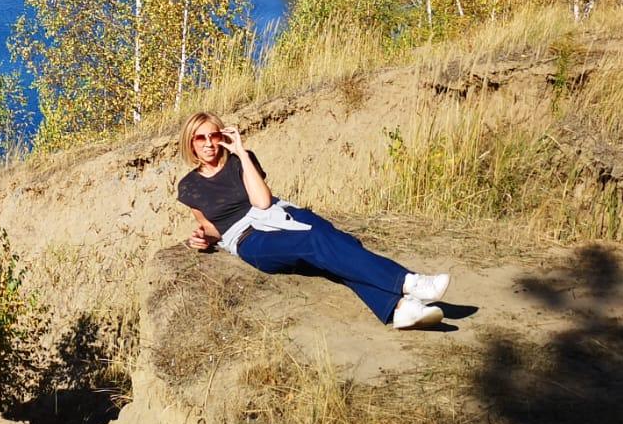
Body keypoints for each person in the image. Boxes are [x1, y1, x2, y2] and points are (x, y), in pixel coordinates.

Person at [175, 110, 450, 329]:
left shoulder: (240, 160)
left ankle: (399, 310)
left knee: (341, 244)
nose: (209, 143)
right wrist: (201, 238)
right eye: (201, 138)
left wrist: (241, 152)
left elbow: (262, 201)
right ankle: (408, 282)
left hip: (280, 213)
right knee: (314, 241)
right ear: (191, 143)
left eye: (214, 135)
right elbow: (211, 226)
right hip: (249, 238)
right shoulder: (190, 186)